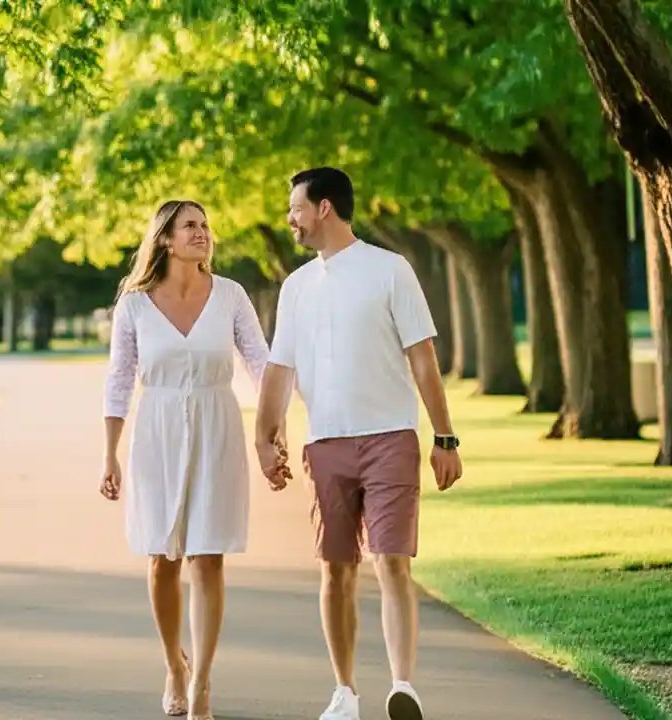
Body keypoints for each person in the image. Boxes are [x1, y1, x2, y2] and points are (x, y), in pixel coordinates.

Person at [253, 168, 463, 720]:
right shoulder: (296, 286)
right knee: (335, 568)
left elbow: (424, 360)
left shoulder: (390, 270)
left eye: (295, 208)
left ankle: (403, 686)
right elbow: (279, 367)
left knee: (392, 562)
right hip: (325, 445)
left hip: (390, 437)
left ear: (324, 208)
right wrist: (264, 436)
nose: (290, 220)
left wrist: (444, 437)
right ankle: (344, 692)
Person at [101, 199, 272, 720]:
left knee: (209, 554)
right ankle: (174, 665)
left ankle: (200, 682)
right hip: (156, 431)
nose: (202, 233)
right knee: (162, 557)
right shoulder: (134, 305)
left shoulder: (232, 296)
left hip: (218, 426)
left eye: (205, 225)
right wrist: (109, 453)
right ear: (166, 240)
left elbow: (263, 364)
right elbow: (119, 379)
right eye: (190, 226)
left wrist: (273, 428)